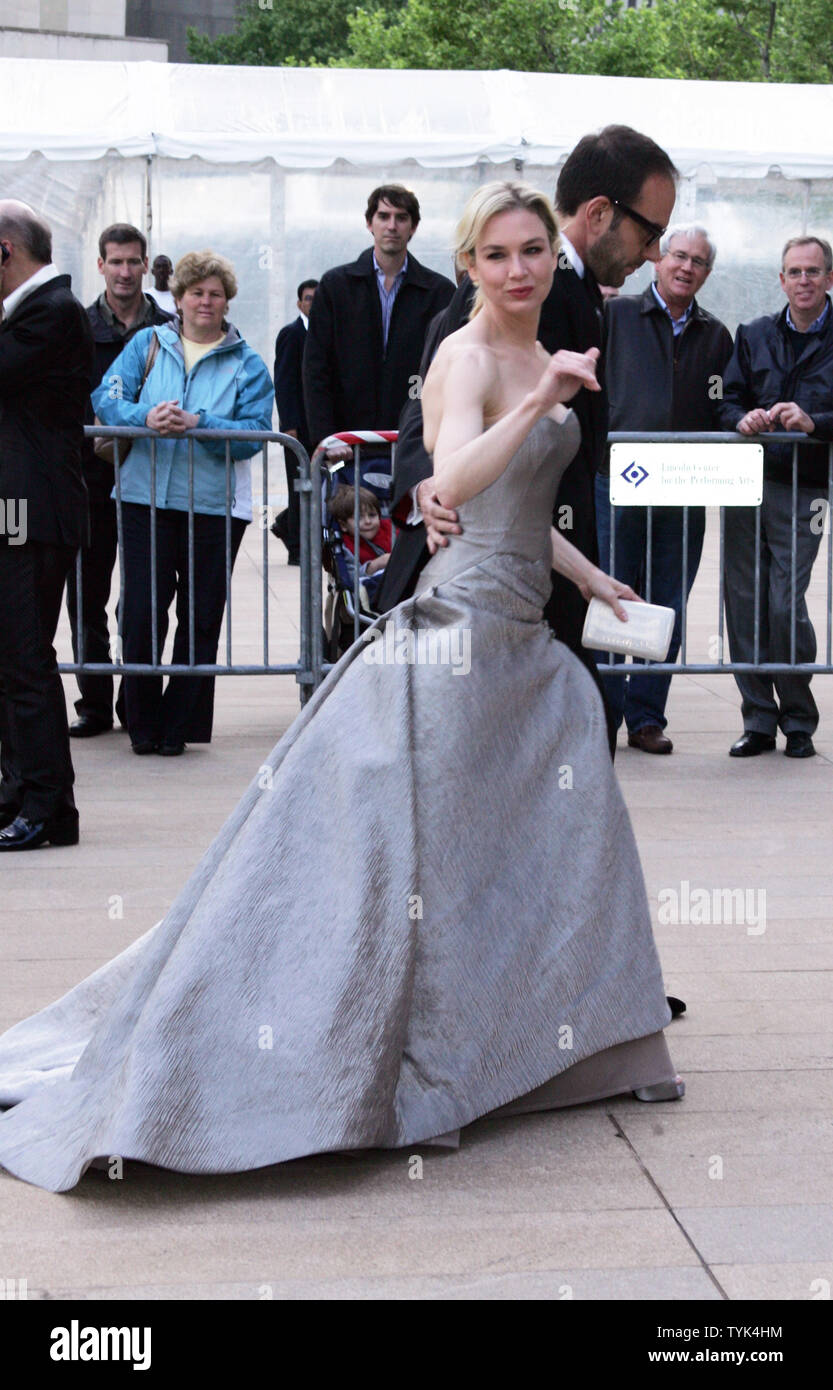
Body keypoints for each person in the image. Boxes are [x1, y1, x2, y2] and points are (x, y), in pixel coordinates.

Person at [0, 182, 682, 1193]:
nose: (517, 269)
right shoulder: (465, 356)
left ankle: (581, 1042)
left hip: (524, 642)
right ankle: (407, 1055)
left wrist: (589, 575)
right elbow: (447, 482)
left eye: (532, 250)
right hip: (451, 637)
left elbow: (515, 500)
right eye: (494, 255)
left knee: (552, 840)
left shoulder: (547, 355)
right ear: (468, 265)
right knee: (411, 862)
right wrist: (540, 404)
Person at [375, 125, 678, 754]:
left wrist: (588, 572)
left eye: (533, 252)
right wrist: (422, 486)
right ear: (600, 214)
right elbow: (425, 413)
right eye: (650, 233)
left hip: (543, 580)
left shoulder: (564, 308)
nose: (655, 255)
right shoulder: (494, 300)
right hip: (470, 597)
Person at [91, 249, 274, 756]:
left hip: (215, 508)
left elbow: (259, 433)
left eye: (216, 294)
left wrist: (201, 425)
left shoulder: (249, 363)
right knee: (143, 613)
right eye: (197, 292)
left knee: (202, 616)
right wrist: (145, 417)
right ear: (179, 298)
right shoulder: (146, 344)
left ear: (227, 301)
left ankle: (179, 726)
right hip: (143, 497)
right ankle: (143, 724)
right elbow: (105, 396)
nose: (206, 302)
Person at [597, 224, 733, 753]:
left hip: (681, 487)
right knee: (613, 593)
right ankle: (604, 712)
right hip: (616, 481)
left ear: (707, 272)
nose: (686, 267)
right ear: (658, 260)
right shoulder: (616, 316)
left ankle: (647, 716)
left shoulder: (716, 336)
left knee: (668, 601)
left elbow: (726, 401)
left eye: (698, 261)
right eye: (679, 255)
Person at [0, 200, 94, 852]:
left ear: (5, 251)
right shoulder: (30, 312)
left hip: (31, 512)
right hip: (16, 508)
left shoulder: (51, 310)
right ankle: (20, 791)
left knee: (25, 658)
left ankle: (48, 807)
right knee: (11, 659)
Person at [719, 235, 833, 760]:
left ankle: (799, 718)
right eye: (794, 271)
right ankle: (758, 719)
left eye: (813, 271)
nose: (804, 280)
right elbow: (726, 397)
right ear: (781, 279)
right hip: (747, 480)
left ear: (829, 279)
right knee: (744, 601)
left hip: (805, 488)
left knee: (786, 602)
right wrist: (740, 418)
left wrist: (815, 424)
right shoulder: (755, 334)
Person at [66, 224, 174, 739]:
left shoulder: (170, 328)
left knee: (145, 596)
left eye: (134, 262)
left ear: (145, 263)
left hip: (151, 477)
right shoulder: (75, 327)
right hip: (88, 478)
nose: (126, 272)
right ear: (101, 265)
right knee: (87, 590)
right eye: (116, 262)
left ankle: (138, 699)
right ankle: (93, 701)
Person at [302, 183, 455, 484]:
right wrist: (327, 437)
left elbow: (448, 374)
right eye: (384, 216)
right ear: (369, 223)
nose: (392, 226)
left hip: (416, 447)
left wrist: (440, 439)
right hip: (345, 447)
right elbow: (315, 369)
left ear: (413, 227)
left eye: (401, 217)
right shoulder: (335, 287)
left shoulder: (440, 293)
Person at [271, 278, 318, 565]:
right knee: (298, 487)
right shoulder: (291, 334)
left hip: (320, 428)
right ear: (300, 303)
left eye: (318, 298)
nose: (314, 303)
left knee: (318, 487)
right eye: (309, 298)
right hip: (297, 428)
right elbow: (284, 382)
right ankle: (297, 549)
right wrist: (289, 425)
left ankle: (285, 525)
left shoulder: (328, 333)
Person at [329, 484, 392, 608]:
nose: (368, 521)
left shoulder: (390, 530)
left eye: (372, 515)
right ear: (343, 525)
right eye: (359, 517)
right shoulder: (346, 546)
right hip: (371, 589)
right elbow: (351, 578)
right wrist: (375, 565)